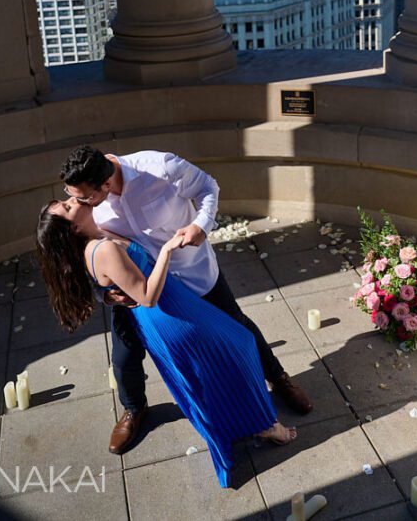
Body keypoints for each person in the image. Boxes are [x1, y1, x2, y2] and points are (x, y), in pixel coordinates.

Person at [59, 145, 312, 455]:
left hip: (193, 271)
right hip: (137, 288)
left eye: (84, 197)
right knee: (125, 354)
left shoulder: (159, 166)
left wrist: (200, 225)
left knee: (239, 327)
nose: (77, 202)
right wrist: (102, 292)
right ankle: (134, 409)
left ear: (106, 184)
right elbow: (83, 250)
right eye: (74, 197)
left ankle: (278, 377)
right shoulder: (88, 206)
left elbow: (208, 186)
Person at [36, 199, 296, 488]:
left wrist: (108, 291)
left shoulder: (98, 236)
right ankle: (261, 425)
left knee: (224, 358)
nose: (73, 200)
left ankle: (245, 423)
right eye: (68, 206)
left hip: (172, 305)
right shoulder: (103, 248)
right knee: (239, 346)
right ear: (74, 227)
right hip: (167, 314)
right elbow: (147, 296)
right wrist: (167, 251)